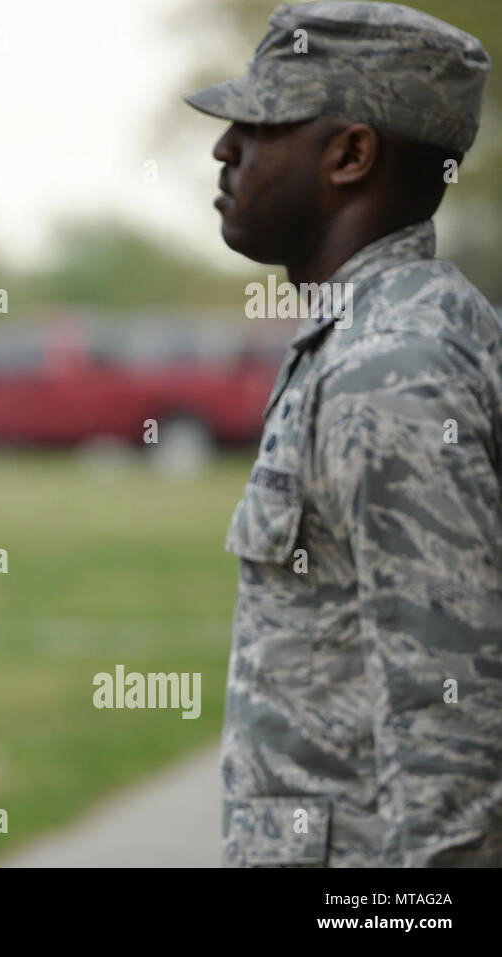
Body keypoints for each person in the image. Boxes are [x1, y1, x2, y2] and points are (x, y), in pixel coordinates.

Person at [185, 1, 501, 866]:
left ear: (351, 155)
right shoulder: (380, 332)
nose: (225, 149)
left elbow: (453, 734)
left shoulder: (390, 370)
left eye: (260, 124)